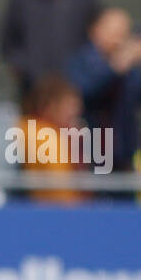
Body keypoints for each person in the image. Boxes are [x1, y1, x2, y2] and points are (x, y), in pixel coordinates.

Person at [65, 8, 141, 171]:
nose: (120, 38)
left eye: (124, 33)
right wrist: (114, 69)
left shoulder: (129, 67)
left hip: (123, 152)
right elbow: (85, 94)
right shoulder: (81, 61)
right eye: (115, 31)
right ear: (96, 30)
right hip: (90, 149)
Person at [15, 74, 88, 204]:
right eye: (69, 108)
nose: (75, 115)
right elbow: (62, 196)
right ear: (49, 106)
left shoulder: (60, 136)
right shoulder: (43, 137)